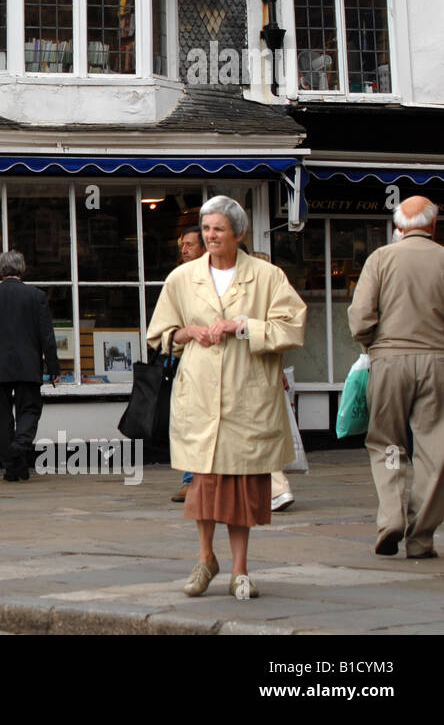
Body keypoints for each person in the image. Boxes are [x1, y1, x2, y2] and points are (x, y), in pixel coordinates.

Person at [147, 196, 306, 599]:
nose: (211, 236)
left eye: (218, 229)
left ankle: (240, 569)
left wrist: (244, 326)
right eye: (206, 229)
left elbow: (293, 325)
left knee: (241, 488)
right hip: (199, 391)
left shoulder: (267, 276)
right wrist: (189, 333)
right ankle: (205, 559)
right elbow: (160, 334)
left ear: (238, 233)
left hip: (246, 392)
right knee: (204, 483)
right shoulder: (182, 279)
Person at [348, 195, 444, 558]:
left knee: (388, 443)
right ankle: (420, 537)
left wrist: (372, 343)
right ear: (433, 226)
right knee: (434, 451)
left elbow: (360, 318)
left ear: (397, 227)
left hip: (389, 362)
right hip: (438, 363)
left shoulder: (381, 258)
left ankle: (391, 517)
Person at [0, 250, 60, 482]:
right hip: (28, 364)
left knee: (2, 419)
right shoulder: (36, 295)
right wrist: (54, 367)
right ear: (23, 269)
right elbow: (46, 336)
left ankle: (13, 468)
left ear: (0, 270)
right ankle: (20, 445)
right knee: (29, 409)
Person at [171, 228, 207, 503]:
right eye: (183, 245)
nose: (184, 250)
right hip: (188, 360)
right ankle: (189, 479)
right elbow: (166, 327)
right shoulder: (179, 280)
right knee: (190, 422)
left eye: (190, 245)